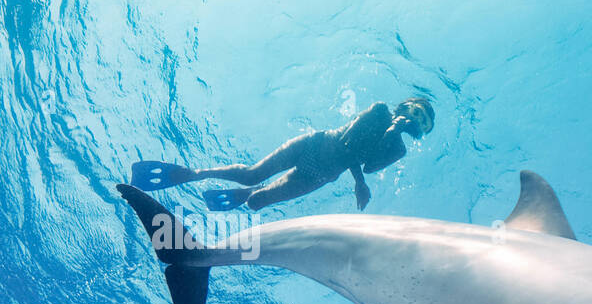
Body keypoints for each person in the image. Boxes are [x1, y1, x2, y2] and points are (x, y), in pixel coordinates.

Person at [129, 96, 434, 212]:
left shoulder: (398, 147)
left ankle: (249, 194)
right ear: (407, 105)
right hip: (314, 145)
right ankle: (194, 174)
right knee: (254, 173)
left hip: (322, 175)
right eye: (418, 113)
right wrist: (358, 181)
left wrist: (393, 135)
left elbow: (369, 167)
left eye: (423, 123)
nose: (417, 120)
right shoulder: (380, 111)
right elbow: (347, 143)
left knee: (258, 201)